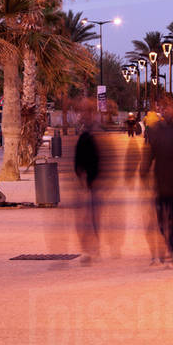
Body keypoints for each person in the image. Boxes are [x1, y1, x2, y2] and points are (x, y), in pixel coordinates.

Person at [139, 99, 173, 266]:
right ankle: (168, 242)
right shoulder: (156, 131)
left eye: (169, 108)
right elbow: (150, 153)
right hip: (160, 182)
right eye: (164, 109)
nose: (167, 111)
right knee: (161, 220)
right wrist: (144, 170)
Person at [73, 103, 103, 264]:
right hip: (86, 182)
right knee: (86, 218)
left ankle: (93, 248)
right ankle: (88, 249)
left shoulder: (96, 134)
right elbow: (77, 159)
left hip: (94, 183)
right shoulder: (84, 135)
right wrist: (79, 176)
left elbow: (102, 158)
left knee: (92, 217)